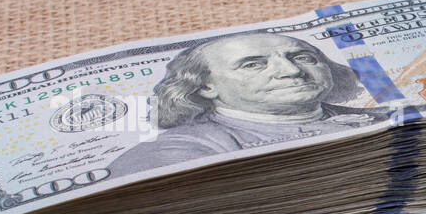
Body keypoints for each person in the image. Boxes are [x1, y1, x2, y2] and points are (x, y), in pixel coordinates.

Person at [107, 32, 387, 177]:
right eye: (254, 65)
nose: (291, 71)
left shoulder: (383, 116)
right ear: (206, 86)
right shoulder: (176, 152)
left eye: (303, 58)